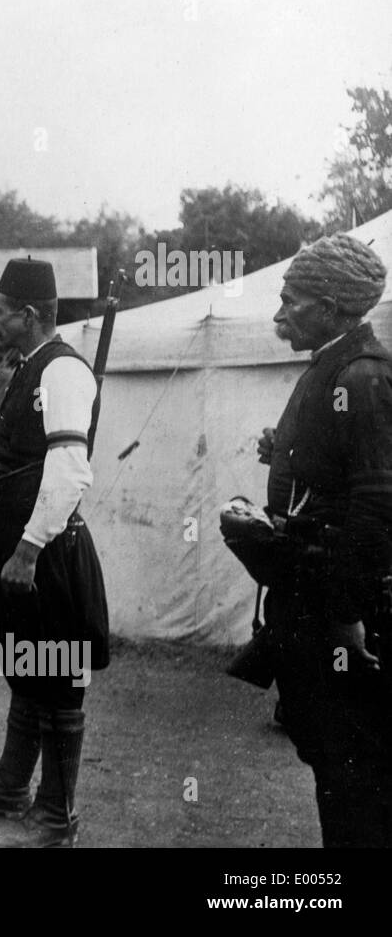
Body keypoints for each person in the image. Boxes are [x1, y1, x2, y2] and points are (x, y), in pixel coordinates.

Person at [0, 257, 109, 848]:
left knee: (58, 674)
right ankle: (11, 786)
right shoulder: (28, 367)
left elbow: (69, 468)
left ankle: (56, 817)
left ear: (30, 315)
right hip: (15, 537)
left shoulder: (61, 372)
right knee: (28, 668)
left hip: (47, 548)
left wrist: (29, 548)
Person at [255, 233, 392, 847]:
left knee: (355, 778)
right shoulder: (329, 369)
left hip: (344, 610)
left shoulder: (362, 378)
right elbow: (338, 470)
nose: (280, 313)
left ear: (333, 307)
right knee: (334, 766)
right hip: (313, 601)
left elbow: (377, 505)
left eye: (292, 300)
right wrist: (284, 452)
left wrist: (345, 614)